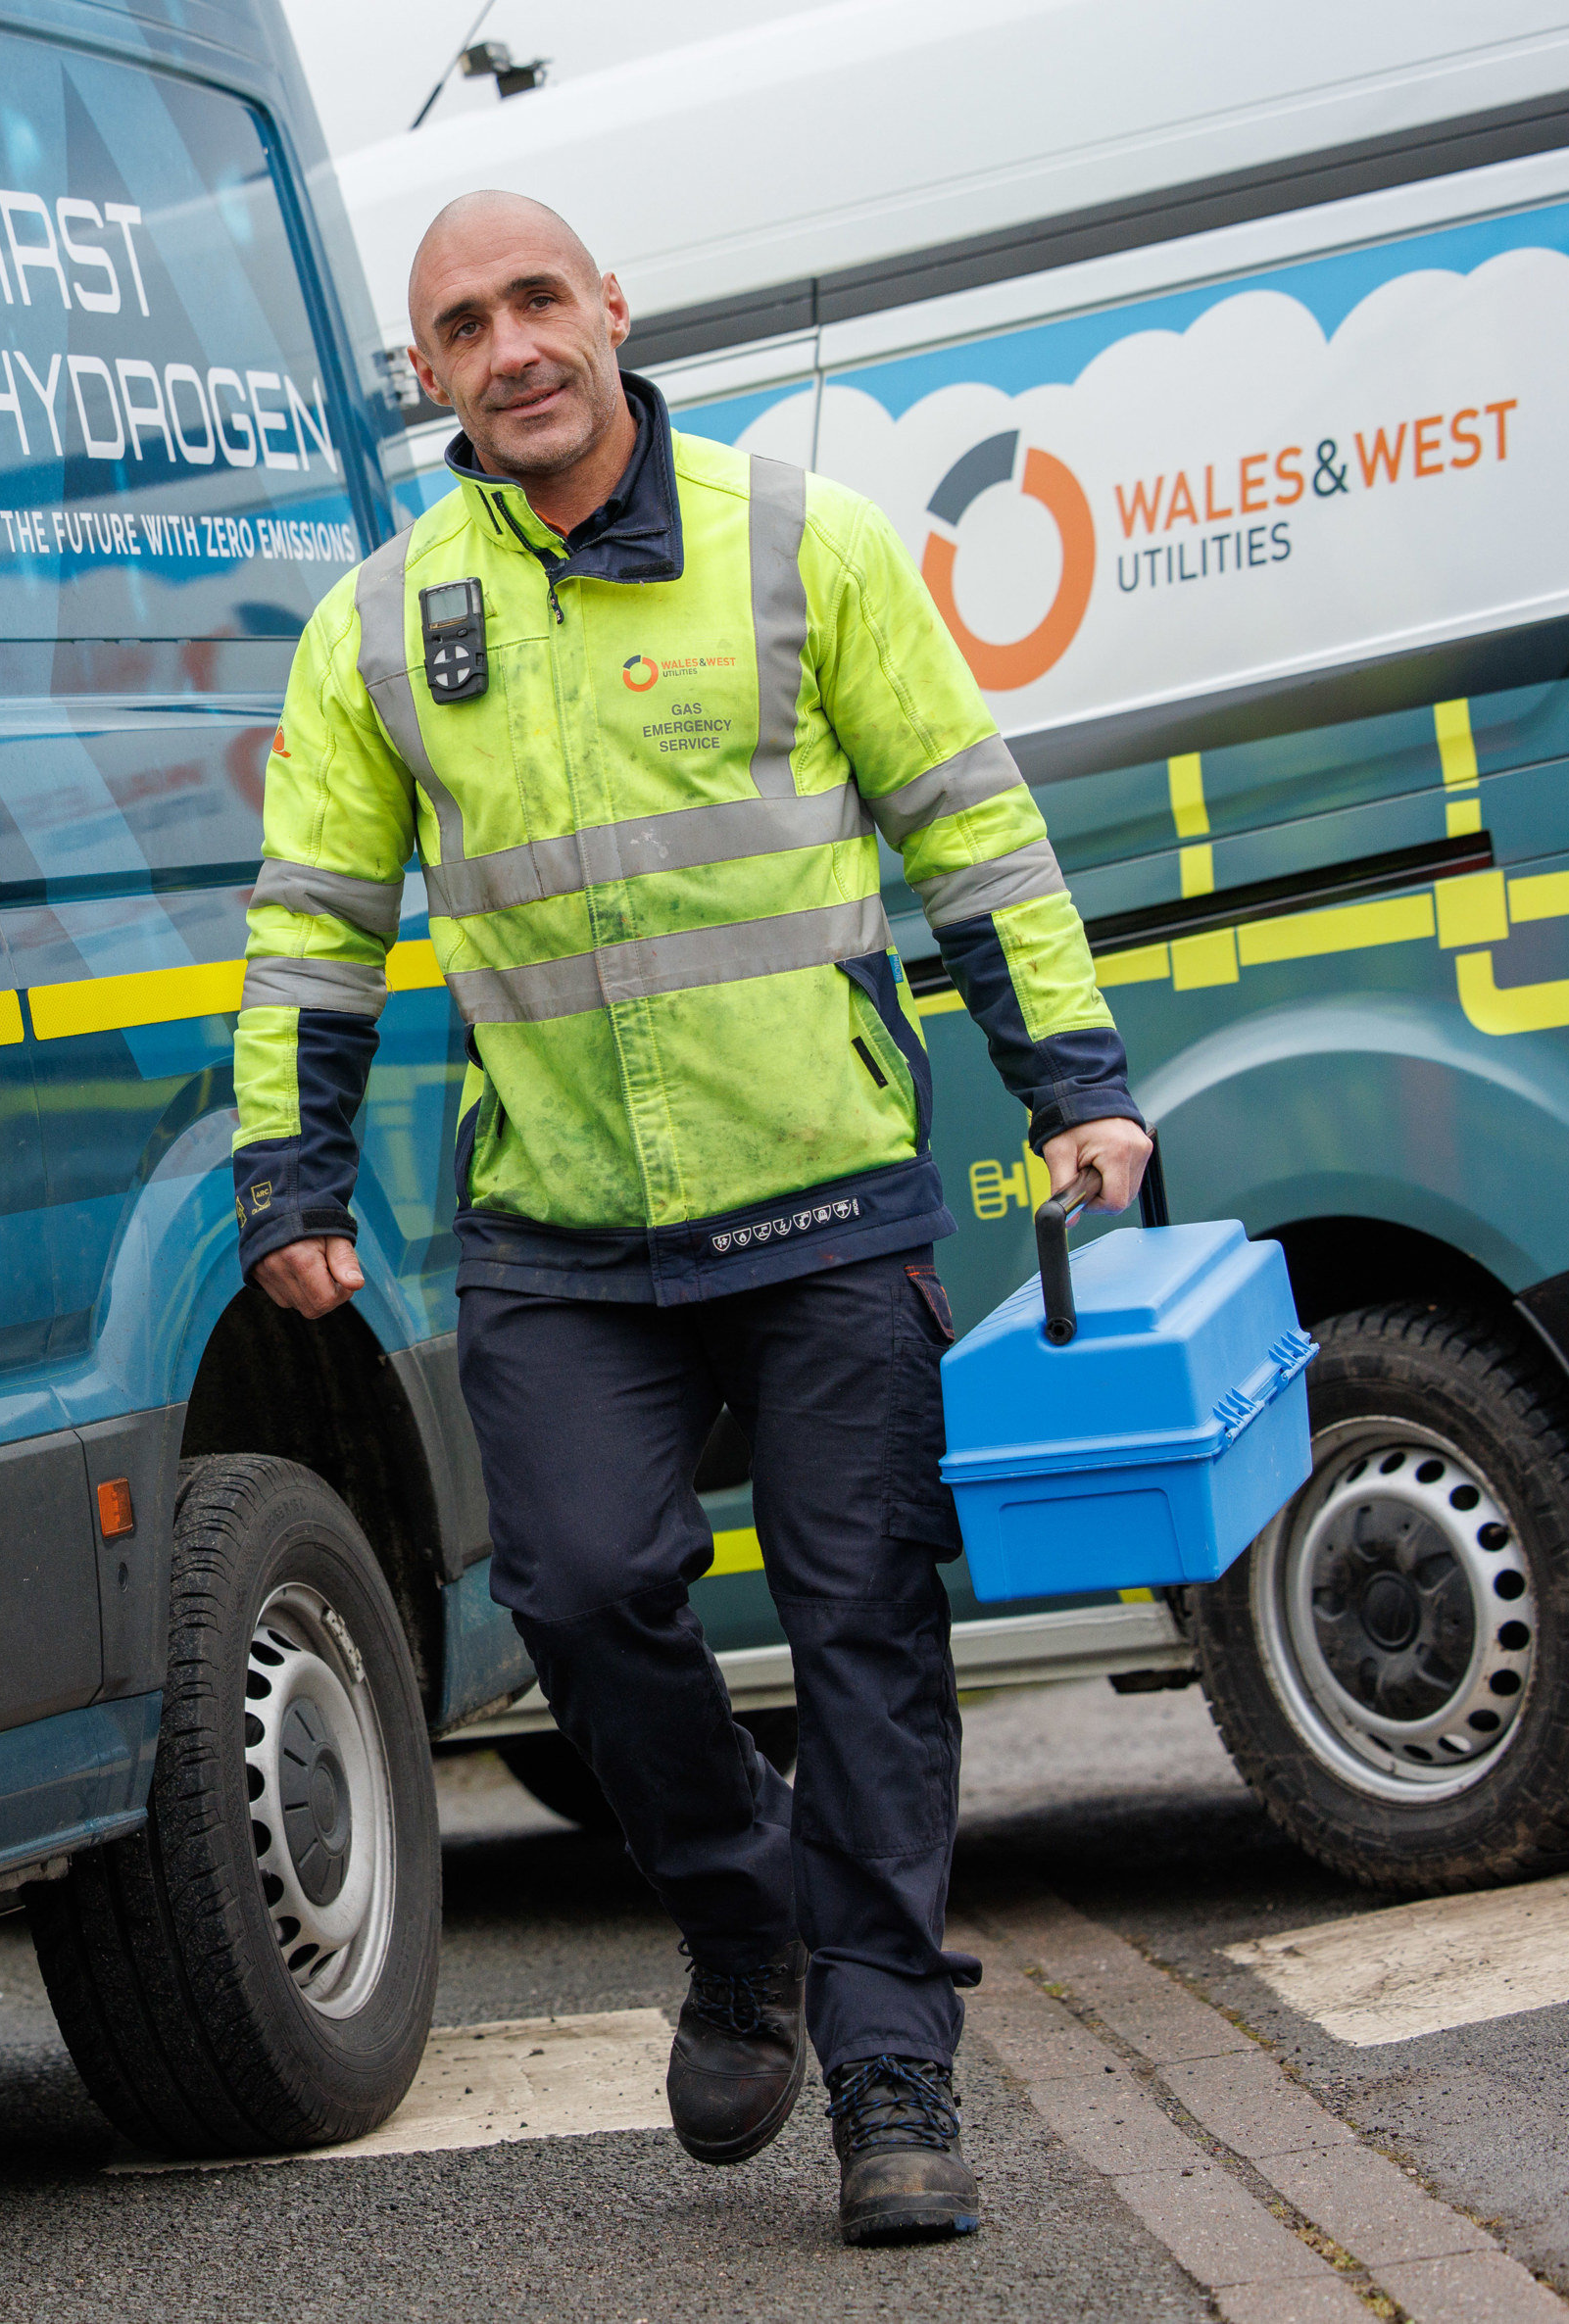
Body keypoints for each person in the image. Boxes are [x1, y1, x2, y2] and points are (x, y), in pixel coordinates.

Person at [233, 190, 1151, 2244]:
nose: (507, 345)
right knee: (571, 1595)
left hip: (821, 1198)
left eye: (534, 298)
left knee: (860, 1628)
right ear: (428, 376)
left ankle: (892, 2063)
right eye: (459, 324)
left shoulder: (797, 542)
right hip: (559, 1230)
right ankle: (747, 1922)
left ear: (610, 309)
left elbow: (966, 824)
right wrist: (282, 1176)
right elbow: (311, 922)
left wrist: (1071, 1084)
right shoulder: (378, 624)